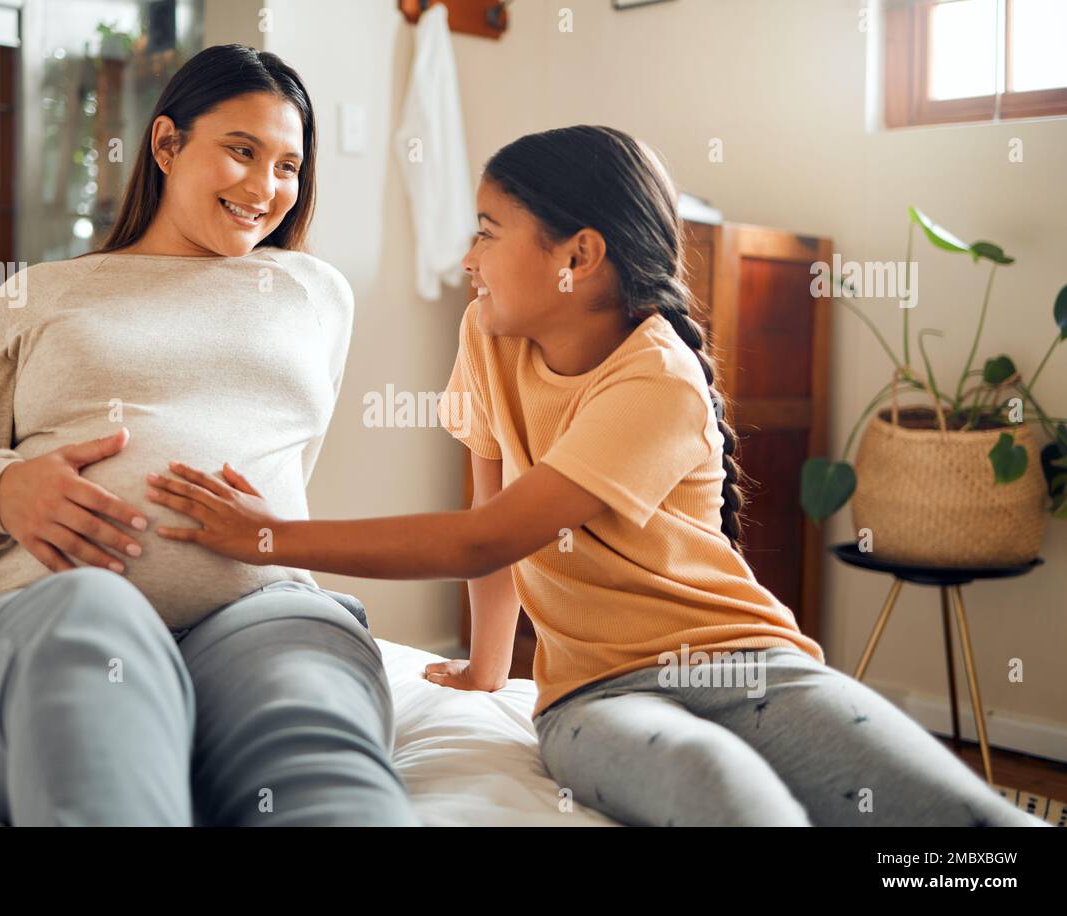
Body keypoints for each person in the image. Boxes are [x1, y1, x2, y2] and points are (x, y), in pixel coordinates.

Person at [149, 124, 1045, 828]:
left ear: (576, 257)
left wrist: (265, 535)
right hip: (596, 696)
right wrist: (489, 668)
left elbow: (490, 534)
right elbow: (488, 519)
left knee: (955, 820)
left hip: (751, 662)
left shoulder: (655, 376)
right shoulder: (486, 338)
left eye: (488, 232)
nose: (468, 258)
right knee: (724, 793)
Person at [0, 44, 420, 827]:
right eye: (242, 151)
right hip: (53, 622)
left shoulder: (315, 295)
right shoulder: (40, 296)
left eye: (287, 166)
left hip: (258, 622)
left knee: (314, 725)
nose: (265, 187)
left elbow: (283, 465)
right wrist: (1, 491)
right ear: (167, 144)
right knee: (98, 625)